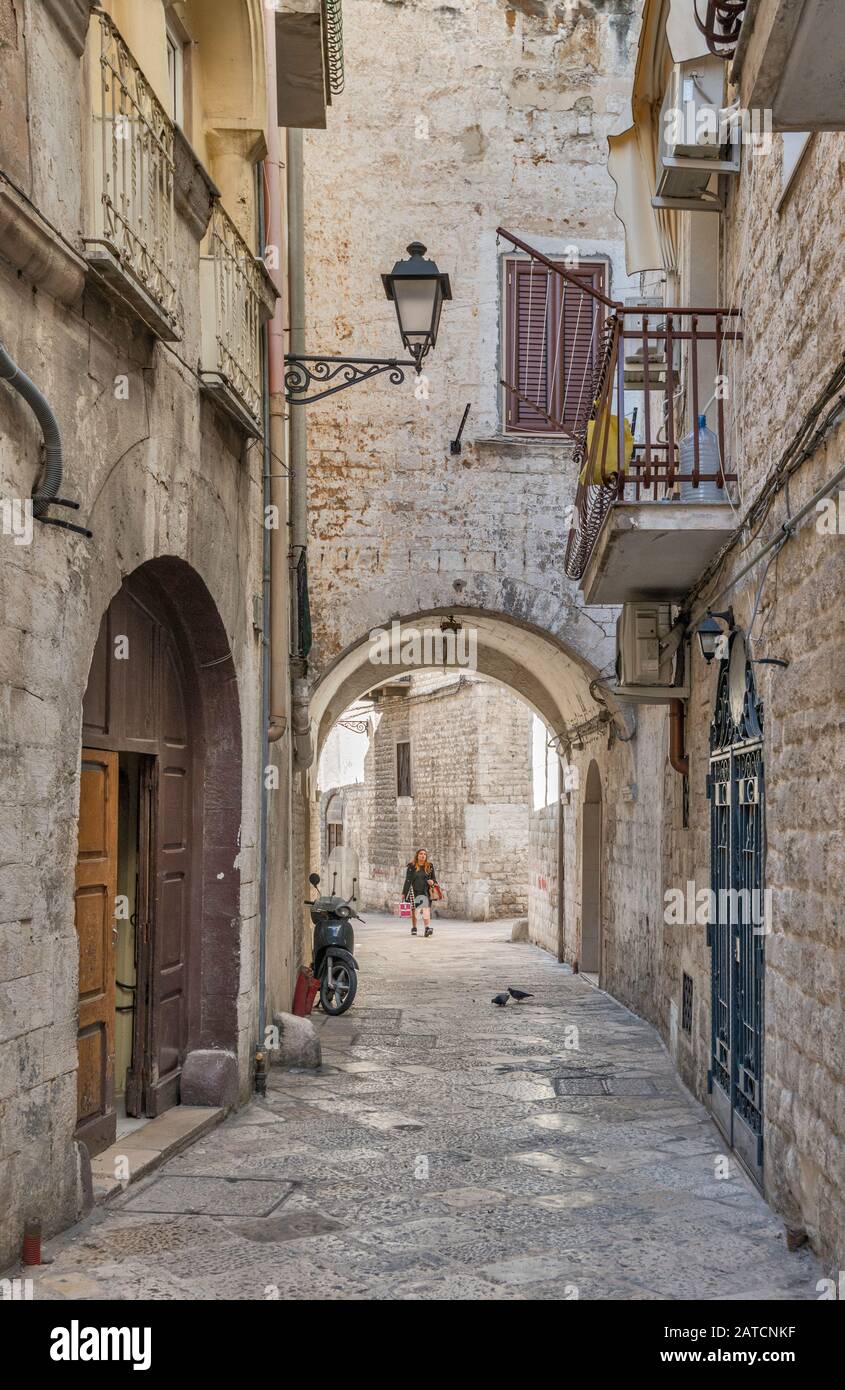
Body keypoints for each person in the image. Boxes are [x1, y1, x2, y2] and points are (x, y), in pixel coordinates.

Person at [402, 849, 437, 938]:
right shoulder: (411, 866)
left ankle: (427, 928)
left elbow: (434, 879)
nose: (423, 855)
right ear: (417, 855)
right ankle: (414, 927)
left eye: (424, 854)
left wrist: (432, 882)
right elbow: (407, 880)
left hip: (425, 891)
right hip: (414, 891)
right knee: (415, 910)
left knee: (426, 909)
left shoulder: (429, 866)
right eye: (421, 854)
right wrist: (404, 892)